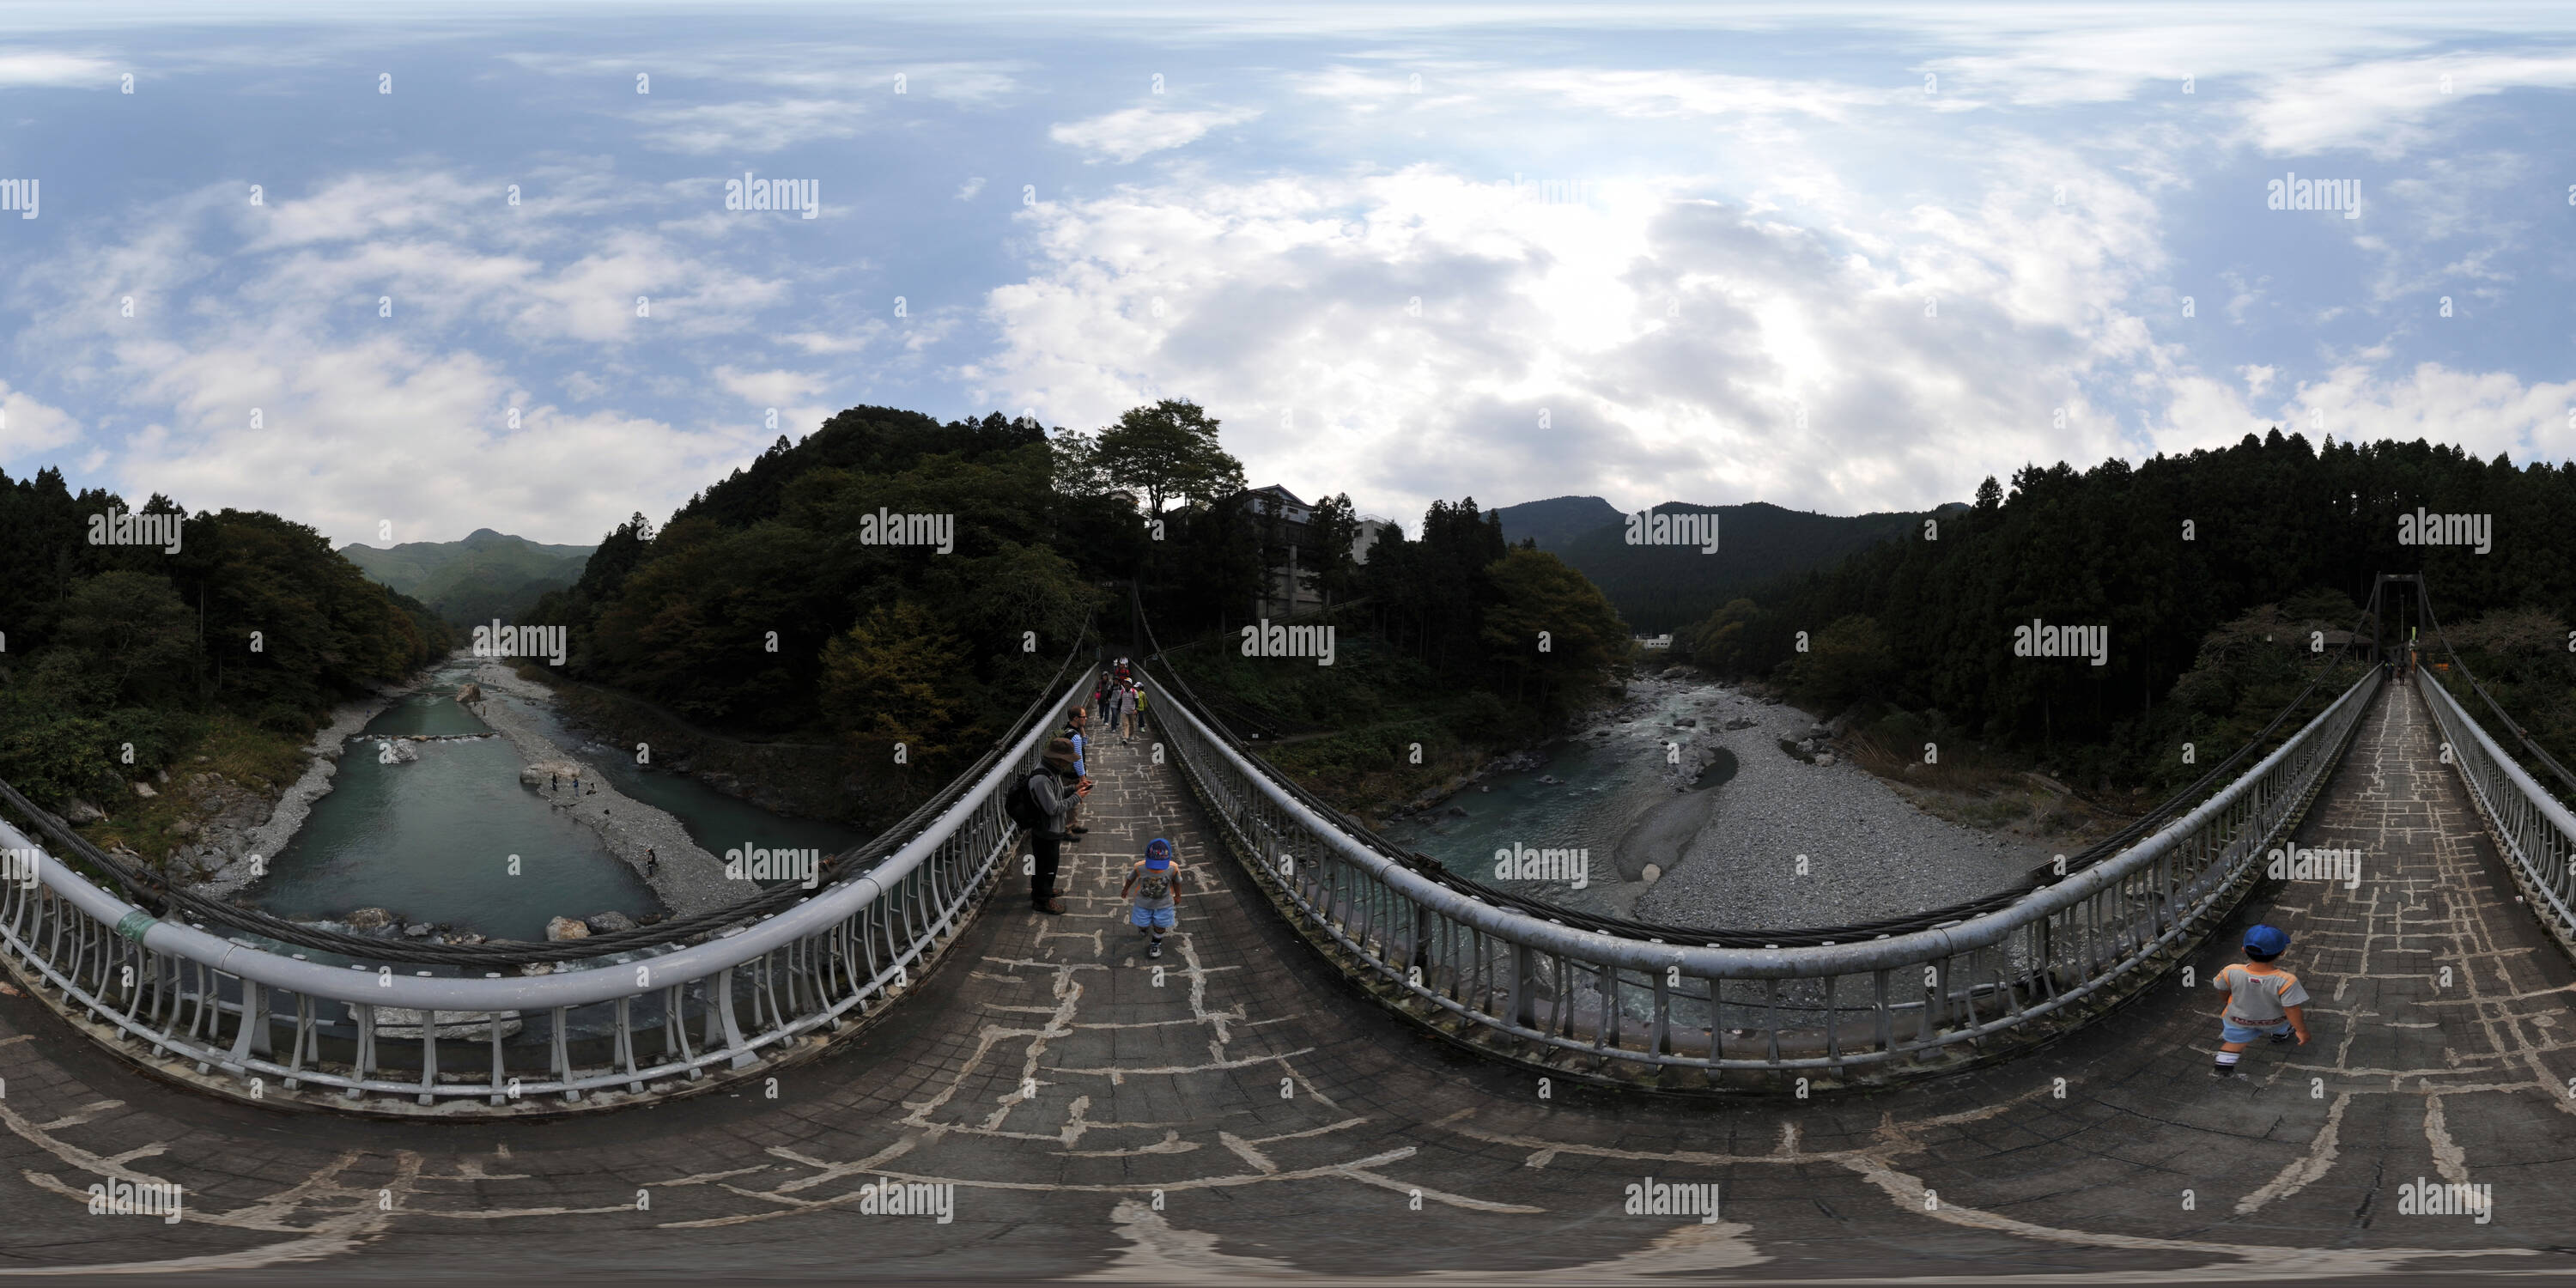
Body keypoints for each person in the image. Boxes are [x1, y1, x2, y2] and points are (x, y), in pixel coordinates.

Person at [2209, 923, 2309, 1076]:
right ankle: (2280, 1035)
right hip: (2273, 1021)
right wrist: (2301, 1031)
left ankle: (2223, 1068)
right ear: (2282, 952)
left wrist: (2227, 1001)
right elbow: (2291, 1009)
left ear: (2243, 949)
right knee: (2283, 1026)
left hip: (2238, 1019)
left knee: (2234, 1043)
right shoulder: (2286, 981)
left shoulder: (2230, 971)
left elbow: (2222, 989)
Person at [1022, 738, 1085, 914]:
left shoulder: (1051, 771)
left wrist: (1074, 788)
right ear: (1058, 759)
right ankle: (1042, 901)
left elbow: (1056, 795)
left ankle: (1042, 892)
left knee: (1045, 865)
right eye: (1067, 760)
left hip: (1051, 828)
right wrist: (1077, 797)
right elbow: (1053, 808)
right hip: (1046, 829)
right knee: (1047, 866)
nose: (1068, 764)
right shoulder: (1042, 778)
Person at [1120, 837, 1184, 958]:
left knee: (1160, 925)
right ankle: (1144, 928)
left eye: (1160, 865)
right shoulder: (1140, 867)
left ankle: (1155, 943)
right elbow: (1130, 878)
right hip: (1143, 903)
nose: (1156, 868)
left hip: (1164, 904)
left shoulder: (1173, 868)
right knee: (1143, 923)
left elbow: (1177, 882)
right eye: (1153, 865)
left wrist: (1178, 896)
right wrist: (1125, 889)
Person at [1064, 708, 1092, 840]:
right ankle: (1067, 830)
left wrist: (1082, 729)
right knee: (1070, 800)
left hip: (1066, 771)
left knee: (1074, 800)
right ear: (1076, 718)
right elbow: (1078, 760)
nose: (1086, 718)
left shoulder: (1069, 730)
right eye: (1083, 717)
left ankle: (1073, 824)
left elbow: (1084, 742)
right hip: (1072, 774)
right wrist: (1083, 777)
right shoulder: (1074, 737)